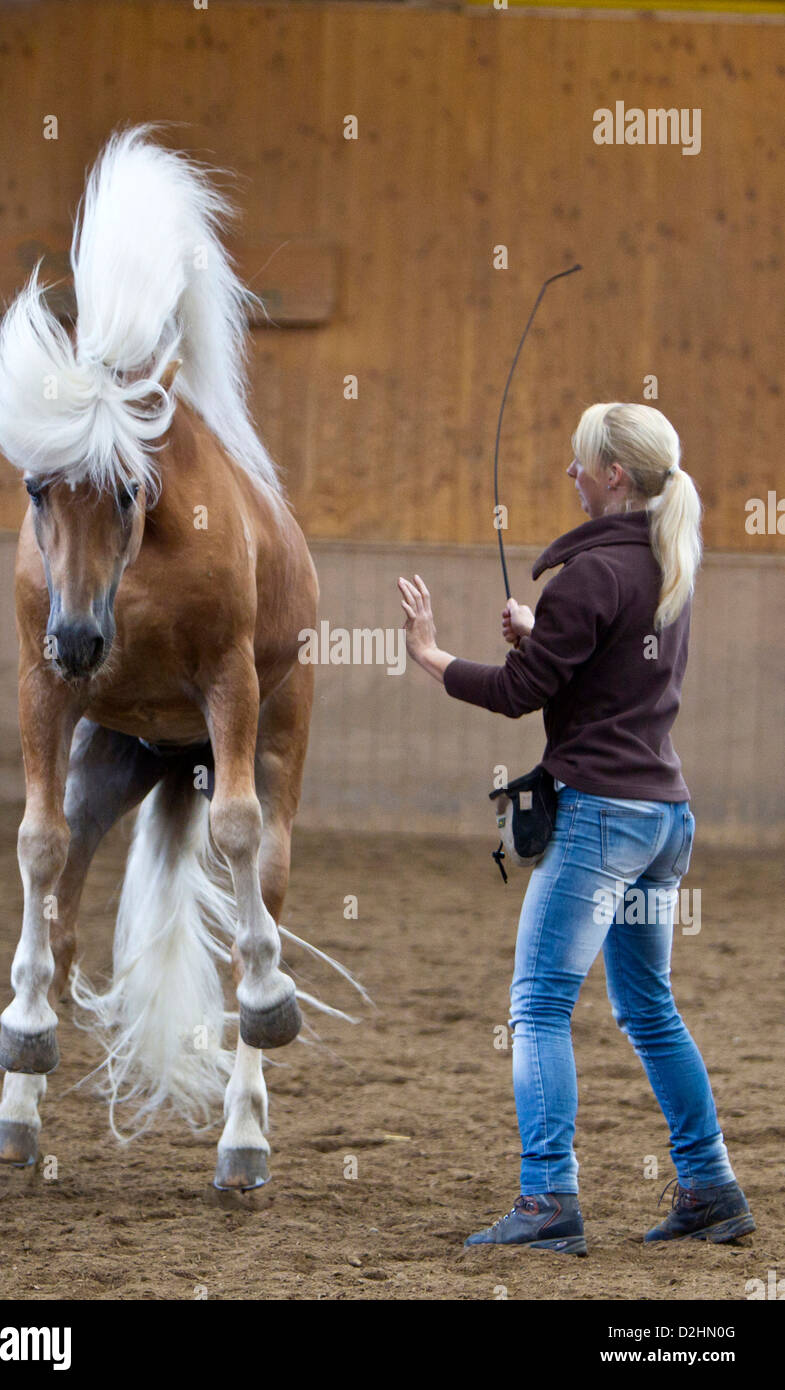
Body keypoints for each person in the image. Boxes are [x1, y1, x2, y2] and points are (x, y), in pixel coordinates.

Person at [398, 402, 755, 1256]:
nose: (569, 475)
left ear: (613, 478)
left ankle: (547, 1197)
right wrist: (539, 631)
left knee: (538, 1005)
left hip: (601, 820)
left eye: (577, 464)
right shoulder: (669, 563)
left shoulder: (591, 575)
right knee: (647, 1009)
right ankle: (709, 1187)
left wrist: (431, 655)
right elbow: (600, 670)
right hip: (664, 820)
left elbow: (517, 693)